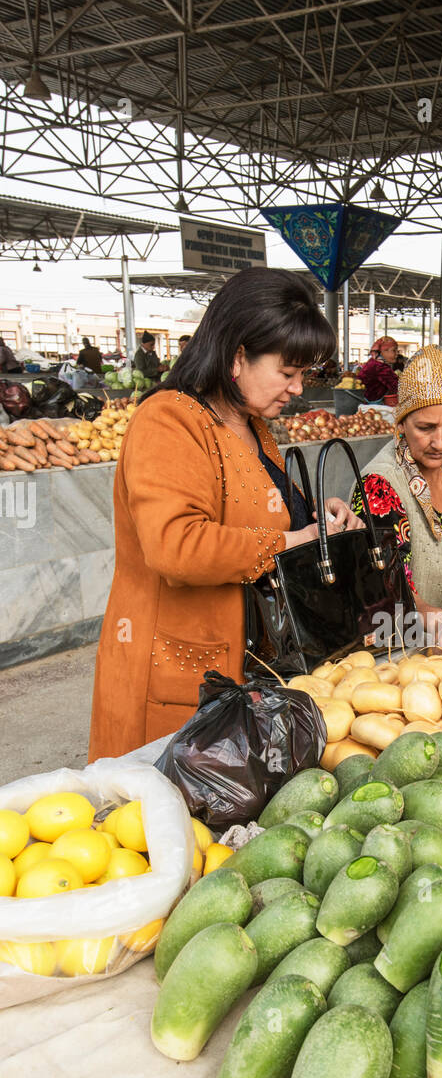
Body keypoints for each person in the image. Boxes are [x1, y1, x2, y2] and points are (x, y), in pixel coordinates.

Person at [88, 267, 363, 759]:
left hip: (246, 667)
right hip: (178, 675)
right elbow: (176, 547)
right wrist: (289, 543)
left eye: (303, 374)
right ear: (239, 356)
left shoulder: (253, 427)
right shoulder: (169, 421)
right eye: (287, 372)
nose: (298, 388)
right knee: (160, 818)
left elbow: (261, 510)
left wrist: (317, 519)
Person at [351, 345, 442, 642]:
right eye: (425, 427)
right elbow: (378, 590)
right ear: (401, 422)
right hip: (403, 651)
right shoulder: (379, 484)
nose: (440, 442)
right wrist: (426, 612)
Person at [358, 336, 398, 401]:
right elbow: (397, 386)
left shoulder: (373, 362)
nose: (397, 354)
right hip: (369, 404)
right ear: (383, 352)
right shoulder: (380, 367)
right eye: (394, 350)